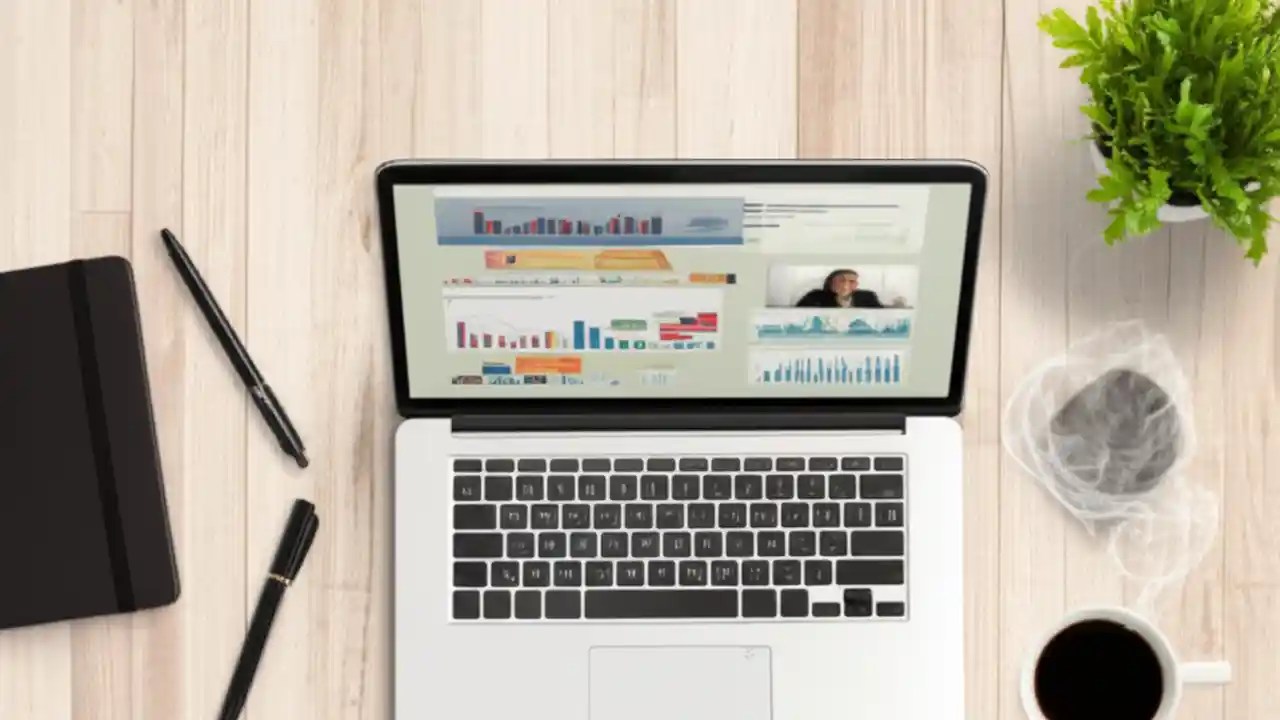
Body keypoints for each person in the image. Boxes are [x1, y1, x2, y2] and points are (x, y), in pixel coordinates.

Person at [795, 269, 885, 308]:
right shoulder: (815, 296)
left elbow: (882, 315)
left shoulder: (868, 296)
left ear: (856, 284)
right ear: (831, 282)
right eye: (842, 280)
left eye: (851, 281)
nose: (846, 285)